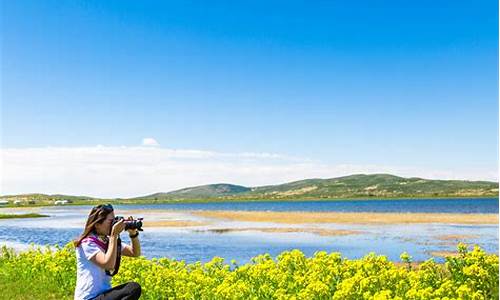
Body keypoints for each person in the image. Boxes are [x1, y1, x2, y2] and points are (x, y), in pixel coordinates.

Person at [74, 204, 142, 300]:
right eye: (111, 221)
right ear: (97, 224)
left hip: (103, 295)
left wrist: (133, 234)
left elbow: (135, 253)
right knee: (132, 288)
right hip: (89, 298)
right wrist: (114, 235)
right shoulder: (87, 243)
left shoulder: (107, 240)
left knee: (133, 289)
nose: (113, 224)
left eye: (114, 220)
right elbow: (108, 265)